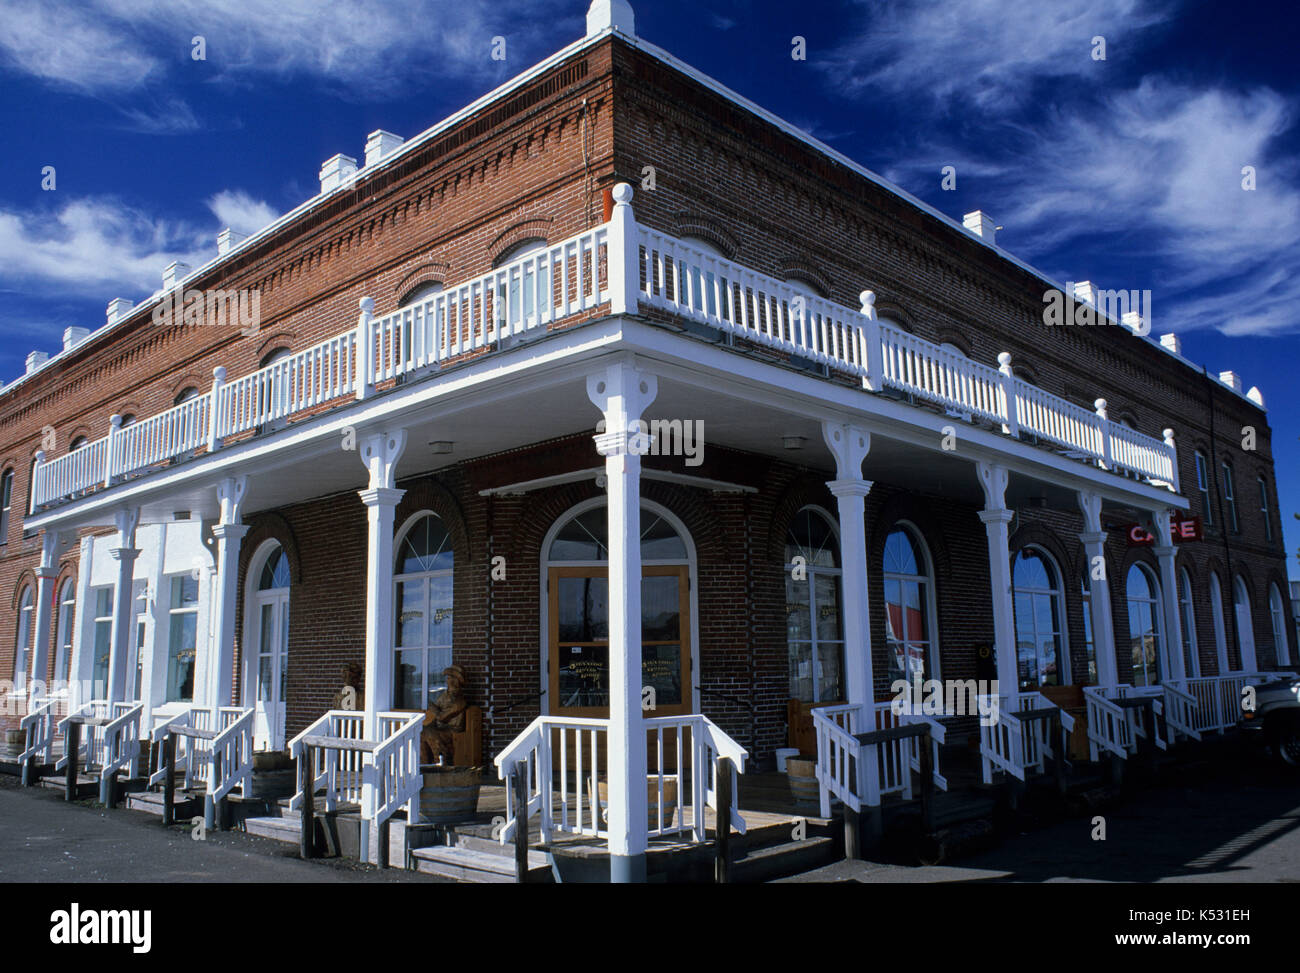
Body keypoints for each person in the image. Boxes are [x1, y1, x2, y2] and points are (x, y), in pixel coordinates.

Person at [421, 665, 470, 764]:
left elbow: (442, 717)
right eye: (447, 678)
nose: (447, 681)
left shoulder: (459, 701)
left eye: (449, 678)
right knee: (422, 732)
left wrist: (433, 708)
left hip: (451, 729)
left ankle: (441, 759)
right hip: (439, 727)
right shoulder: (444, 696)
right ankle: (425, 763)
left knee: (429, 733)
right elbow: (437, 716)